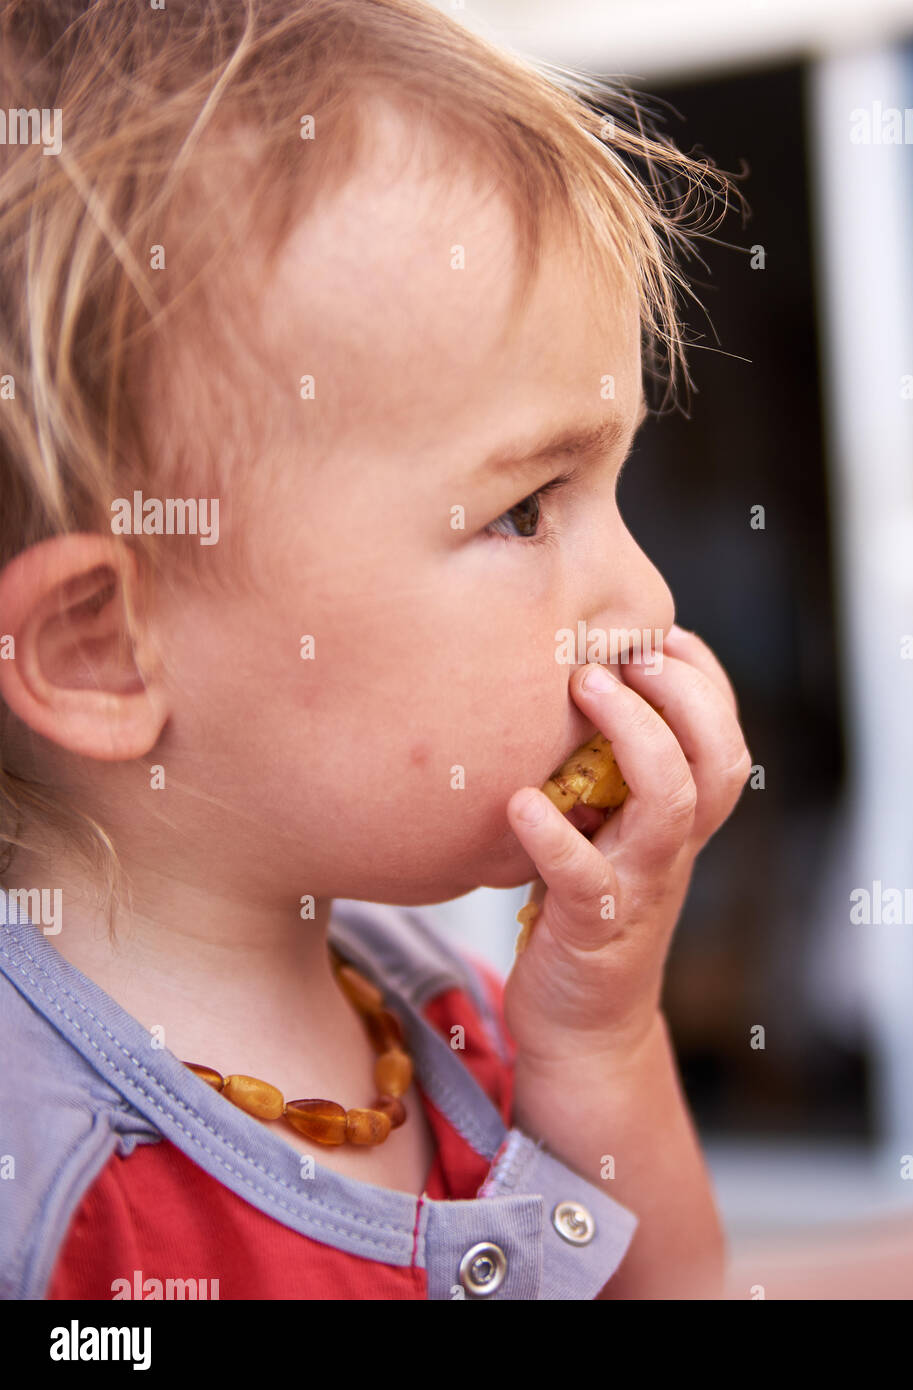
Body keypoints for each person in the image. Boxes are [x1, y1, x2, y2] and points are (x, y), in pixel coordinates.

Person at [0, 0, 747, 1301]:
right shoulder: (41, 1177)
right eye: (523, 507)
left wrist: (598, 1037)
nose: (643, 595)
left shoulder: (443, 1020)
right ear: (105, 648)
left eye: (612, 486)